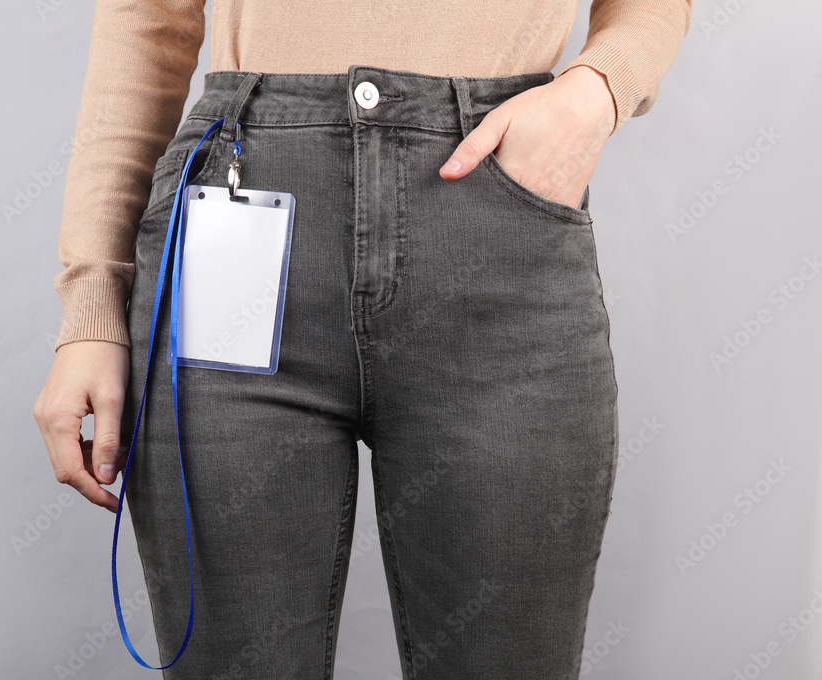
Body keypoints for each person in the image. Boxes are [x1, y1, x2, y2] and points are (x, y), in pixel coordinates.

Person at [34, 1, 692, 677]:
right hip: (242, 211)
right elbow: (147, 18)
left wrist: (599, 90)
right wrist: (92, 306)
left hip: (492, 222)